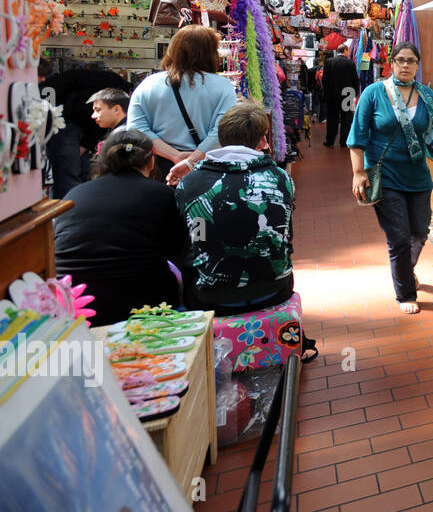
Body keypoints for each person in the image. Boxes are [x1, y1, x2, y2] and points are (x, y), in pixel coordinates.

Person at [348, 42, 433, 315]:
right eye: (401, 60)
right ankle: (406, 291)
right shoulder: (374, 93)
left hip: (418, 176)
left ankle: (406, 269)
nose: (406, 65)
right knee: (398, 236)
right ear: (391, 63)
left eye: (411, 61)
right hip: (386, 176)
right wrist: (358, 173)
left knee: (420, 231)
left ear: (417, 66)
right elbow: (357, 137)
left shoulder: (426, 95)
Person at [53, 128, 186, 326]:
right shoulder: (161, 194)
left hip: (74, 306)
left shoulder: (74, 194)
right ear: (151, 161)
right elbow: (176, 248)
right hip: (142, 306)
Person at [174, 102, 295, 315]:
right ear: (263, 140)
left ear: (220, 140)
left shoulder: (190, 184)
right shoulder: (280, 178)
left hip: (213, 296)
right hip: (274, 287)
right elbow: (285, 232)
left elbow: (197, 236)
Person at [127, 25, 237, 186]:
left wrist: (174, 156)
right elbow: (222, 130)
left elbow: (136, 129)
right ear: (211, 53)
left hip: (159, 167)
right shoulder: (222, 86)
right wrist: (191, 160)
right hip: (206, 167)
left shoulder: (149, 84)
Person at [39, 60, 130, 198]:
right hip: (67, 124)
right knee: (70, 177)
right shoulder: (114, 86)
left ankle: (68, 211)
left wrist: (85, 144)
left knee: (69, 177)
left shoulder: (113, 87)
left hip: (67, 124)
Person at [322, 41, 360, 147]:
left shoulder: (329, 62)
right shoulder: (350, 63)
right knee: (346, 118)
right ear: (345, 51)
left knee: (332, 118)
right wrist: (356, 93)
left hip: (332, 95)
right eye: (348, 51)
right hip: (348, 94)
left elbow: (325, 80)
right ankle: (344, 141)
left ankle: (330, 140)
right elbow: (355, 80)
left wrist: (326, 92)